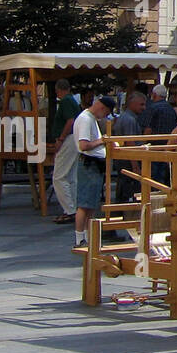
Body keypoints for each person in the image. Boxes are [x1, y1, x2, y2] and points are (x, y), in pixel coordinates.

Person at [73, 95, 114, 248]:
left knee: (90, 204)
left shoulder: (90, 119)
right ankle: (80, 238)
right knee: (84, 203)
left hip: (94, 164)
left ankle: (87, 237)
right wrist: (103, 140)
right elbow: (84, 145)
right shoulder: (85, 119)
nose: (105, 116)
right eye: (106, 113)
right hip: (89, 164)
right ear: (102, 108)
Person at [49, 79, 81, 224]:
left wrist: (61, 139)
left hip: (68, 138)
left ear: (59, 90)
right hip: (74, 138)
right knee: (71, 176)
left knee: (59, 176)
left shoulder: (66, 101)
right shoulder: (73, 100)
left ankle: (70, 210)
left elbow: (70, 120)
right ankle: (73, 207)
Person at [112, 92, 146, 208]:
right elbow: (130, 143)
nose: (144, 108)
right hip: (128, 160)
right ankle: (125, 212)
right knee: (128, 189)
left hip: (124, 159)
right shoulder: (129, 119)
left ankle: (122, 210)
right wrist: (135, 167)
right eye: (141, 105)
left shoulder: (126, 117)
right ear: (133, 104)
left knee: (124, 187)